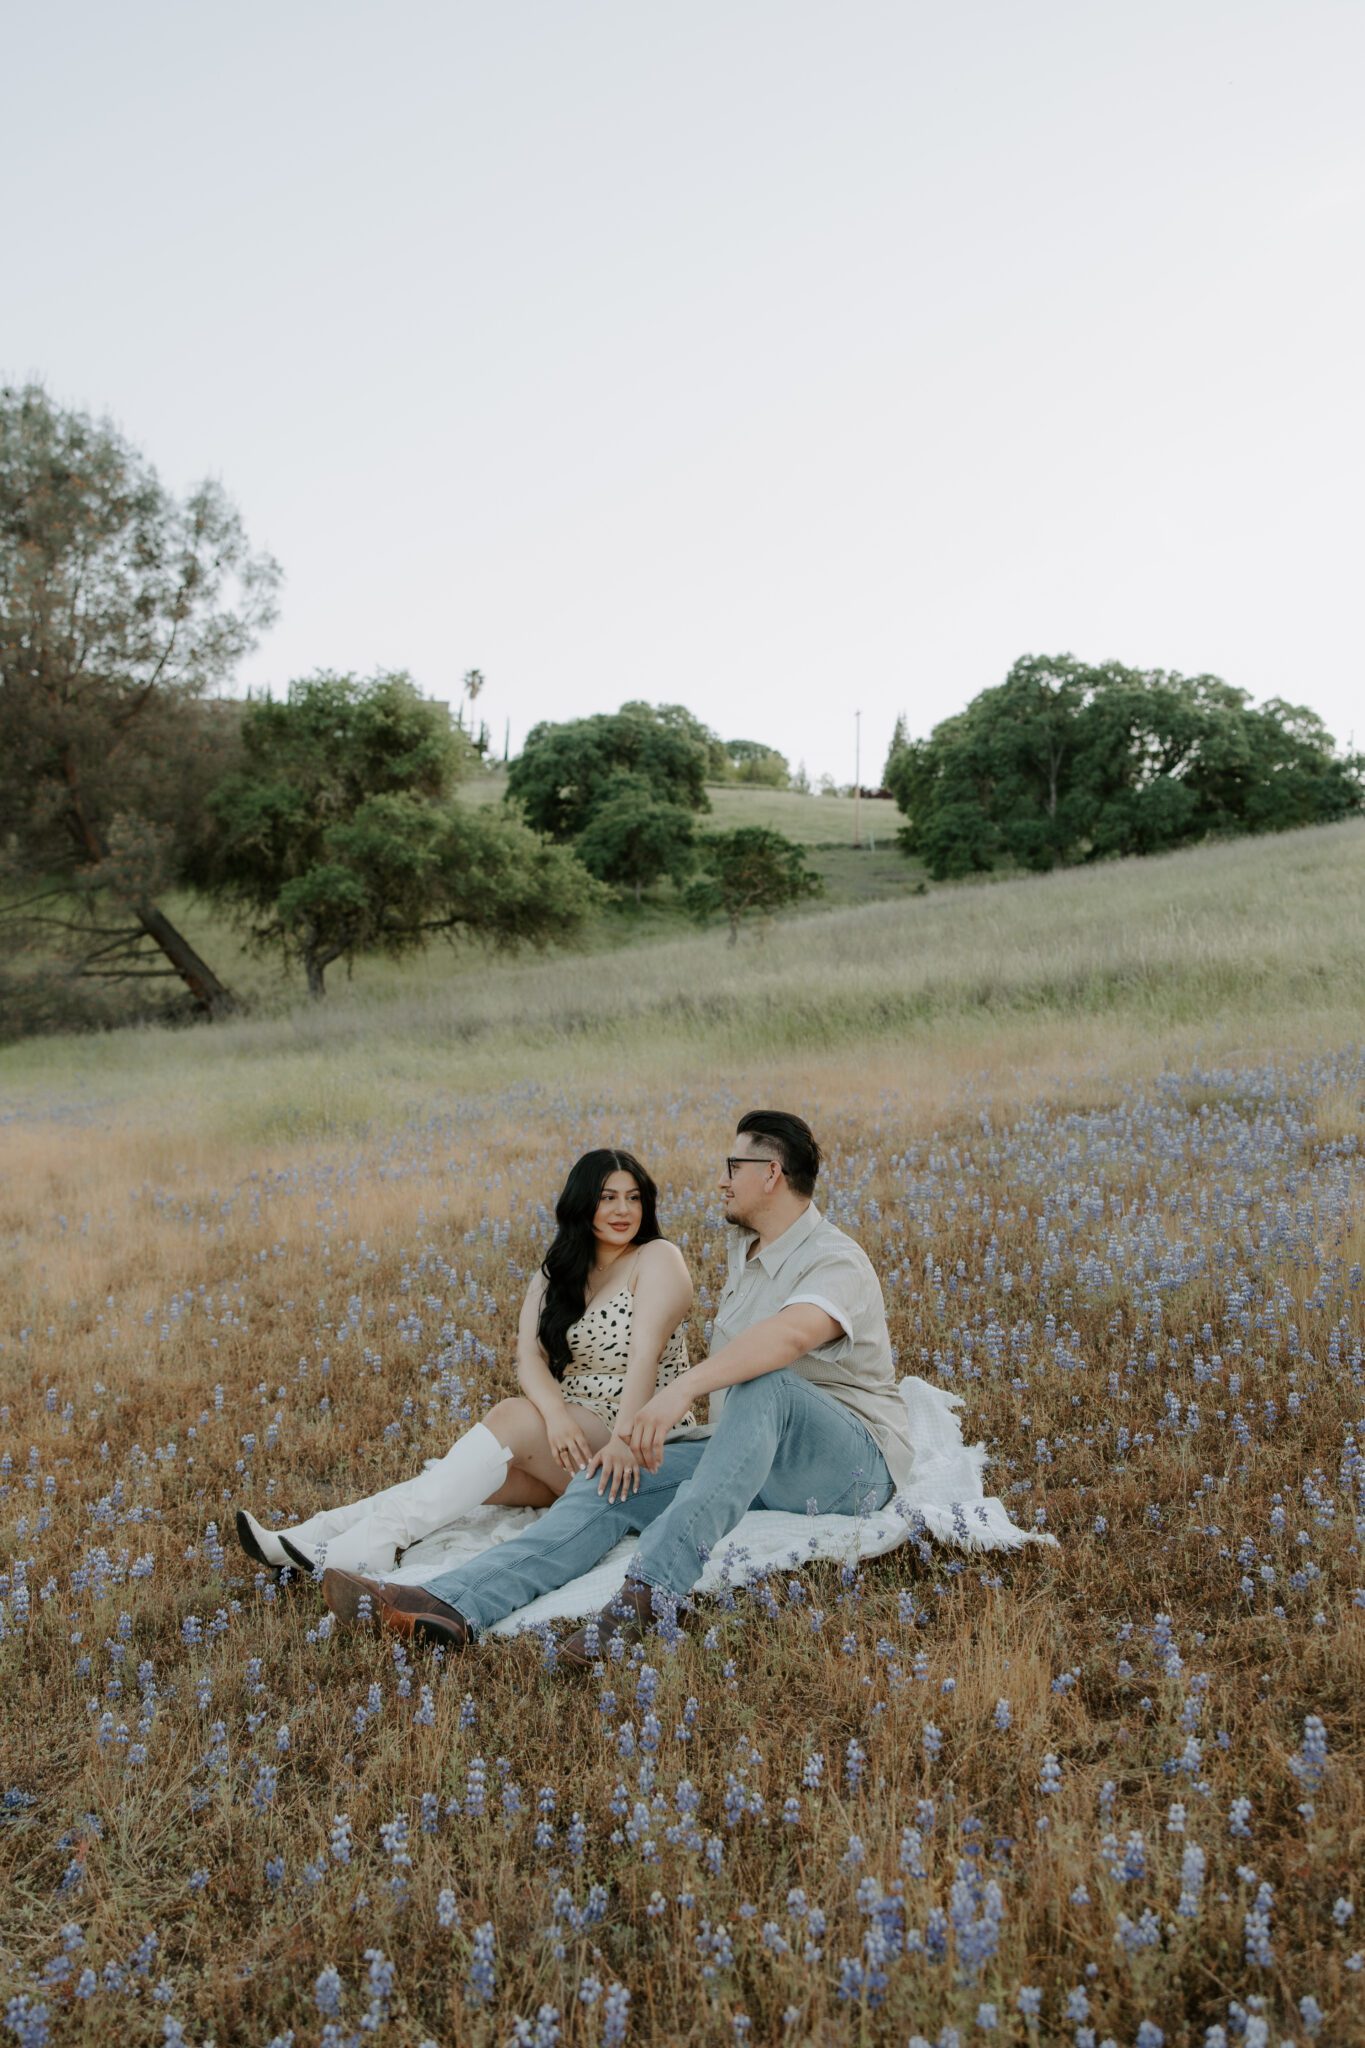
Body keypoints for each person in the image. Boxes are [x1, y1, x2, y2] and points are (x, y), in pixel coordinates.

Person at [320, 1110, 915, 1661]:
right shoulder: (748, 1250)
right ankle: (452, 1601)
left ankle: (650, 1593)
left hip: (849, 1467)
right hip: (755, 1456)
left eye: (733, 1167)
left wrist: (679, 1392)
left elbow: (786, 1340)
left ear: (771, 1173)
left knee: (765, 1381)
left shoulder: (837, 1259)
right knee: (606, 1479)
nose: (723, 1181)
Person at [233, 1149, 693, 1578]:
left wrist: (623, 1443)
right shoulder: (561, 1271)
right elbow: (529, 1356)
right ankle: (313, 1535)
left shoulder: (657, 1258)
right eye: (607, 1197)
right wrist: (554, 1417)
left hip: (640, 1444)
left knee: (509, 1419)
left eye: (633, 1198)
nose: (623, 1210)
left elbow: (644, 1356)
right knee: (461, 1482)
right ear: (581, 1204)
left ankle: (373, 1544)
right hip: (572, 1440)